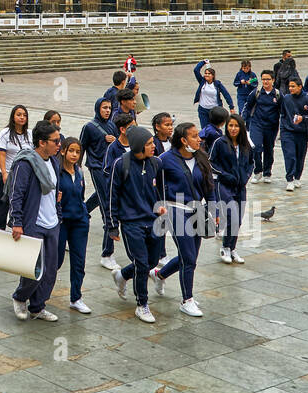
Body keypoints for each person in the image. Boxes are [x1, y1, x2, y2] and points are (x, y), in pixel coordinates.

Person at [150, 122, 212, 317]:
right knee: (188, 258)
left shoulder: (201, 157)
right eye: (194, 136)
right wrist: (159, 207)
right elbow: (154, 186)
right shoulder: (165, 160)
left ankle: (159, 274)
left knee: (190, 255)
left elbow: (209, 187)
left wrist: (215, 210)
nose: (199, 139)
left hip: (197, 210)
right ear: (183, 140)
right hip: (174, 209)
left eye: (198, 136)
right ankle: (187, 300)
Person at [106, 125, 168, 323]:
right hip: (132, 222)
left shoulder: (156, 163)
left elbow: (161, 191)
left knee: (151, 262)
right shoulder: (120, 164)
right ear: (139, 146)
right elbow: (111, 196)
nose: (153, 147)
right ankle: (142, 304)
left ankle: (122, 275)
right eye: (149, 144)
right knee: (141, 264)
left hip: (155, 221)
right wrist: (112, 225)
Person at [8, 120, 62, 322]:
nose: (59, 145)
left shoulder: (54, 162)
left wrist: (58, 213)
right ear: (41, 142)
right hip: (34, 223)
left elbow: (56, 192)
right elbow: (16, 194)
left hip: (52, 223)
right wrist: (17, 222)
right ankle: (20, 297)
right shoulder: (26, 163)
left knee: (50, 270)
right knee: (34, 270)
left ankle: (38, 306)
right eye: (55, 141)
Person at [79, 98, 118, 271]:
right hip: (96, 168)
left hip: (109, 168)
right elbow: (80, 148)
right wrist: (76, 169)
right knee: (107, 208)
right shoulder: (89, 127)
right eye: (104, 108)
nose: (107, 111)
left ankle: (80, 213)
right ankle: (107, 253)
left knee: (101, 197)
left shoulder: (111, 125)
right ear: (97, 109)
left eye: (109, 108)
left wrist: (114, 140)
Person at [54, 136, 92, 313]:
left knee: (79, 261)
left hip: (79, 221)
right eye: (71, 151)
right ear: (63, 151)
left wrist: (84, 214)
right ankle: (39, 291)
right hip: (62, 222)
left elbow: (81, 196)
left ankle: (76, 297)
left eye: (78, 151)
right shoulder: (57, 172)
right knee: (57, 260)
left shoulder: (79, 172)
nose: (75, 154)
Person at [210, 112, 253, 264]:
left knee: (238, 220)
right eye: (230, 126)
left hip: (240, 187)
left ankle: (232, 248)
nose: (233, 129)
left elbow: (251, 163)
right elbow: (211, 163)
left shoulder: (245, 144)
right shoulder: (220, 143)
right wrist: (225, 175)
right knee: (232, 217)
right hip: (224, 186)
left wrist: (246, 176)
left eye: (236, 126)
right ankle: (225, 248)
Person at [0, 106, 32, 231]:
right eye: (19, 114)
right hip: (9, 174)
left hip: (25, 176)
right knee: (3, 206)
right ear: (13, 116)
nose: (22, 117)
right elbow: (1, 154)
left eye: (24, 115)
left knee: (21, 205)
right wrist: (4, 172)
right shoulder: (5, 133)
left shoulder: (30, 134)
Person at [242, 70, 280, 184]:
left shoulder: (278, 94)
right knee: (256, 147)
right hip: (257, 124)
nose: (265, 81)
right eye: (263, 79)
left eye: (268, 79)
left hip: (272, 126)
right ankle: (258, 170)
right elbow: (247, 107)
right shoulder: (256, 93)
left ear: (273, 80)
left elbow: (283, 110)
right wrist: (244, 121)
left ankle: (267, 172)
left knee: (269, 149)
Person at [280, 77, 308, 192]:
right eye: (289, 86)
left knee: (300, 156)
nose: (290, 88)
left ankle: (297, 177)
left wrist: (303, 118)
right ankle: (289, 179)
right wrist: (283, 129)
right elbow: (283, 114)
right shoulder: (286, 98)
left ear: (300, 86)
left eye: (293, 86)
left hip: (302, 132)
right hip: (288, 131)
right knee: (290, 156)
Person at [192, 59, 233, 125]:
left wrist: (231, 107)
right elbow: (196, 70)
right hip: (203, 110)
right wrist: (203, 62)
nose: (207, 75)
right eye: (205, 73)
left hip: (215, 111)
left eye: (209, 74)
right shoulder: (202, 82)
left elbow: (226, 95)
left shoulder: (217, 84)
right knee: (205, 130)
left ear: (213, 75)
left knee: (214, 129)